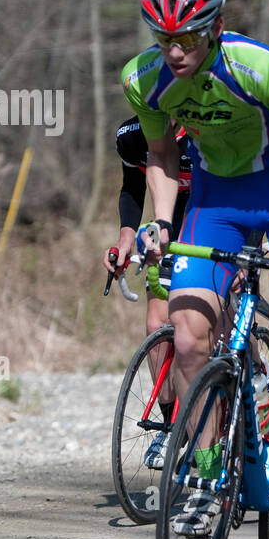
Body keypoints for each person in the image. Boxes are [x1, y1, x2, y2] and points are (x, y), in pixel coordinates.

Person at [121, 0, 269, 534]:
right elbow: (163, 155)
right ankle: (204, 466)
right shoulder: (144, 79)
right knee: (189, 335)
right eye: (164, 37)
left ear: (216, 26)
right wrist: (162, 226)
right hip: (215, 200)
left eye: (188, 36)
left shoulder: (255, 66)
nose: (175, 50)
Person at [102, 117, 193, 468]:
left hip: (213, 213)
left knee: (210, 315)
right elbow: (132, 185)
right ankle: (172, 424)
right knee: (158, 327)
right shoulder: (130, 136)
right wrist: (127, 237)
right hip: (166, 221)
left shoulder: (204, 132)